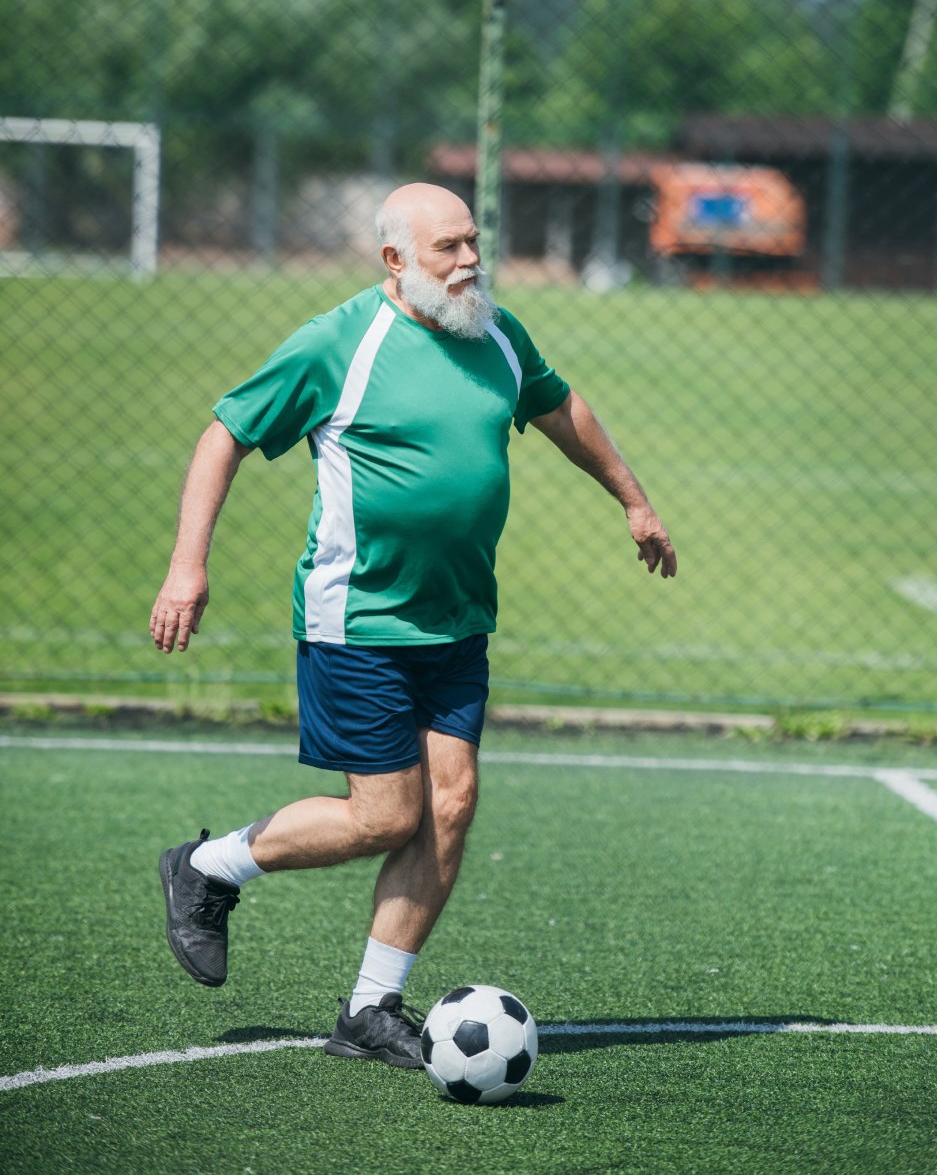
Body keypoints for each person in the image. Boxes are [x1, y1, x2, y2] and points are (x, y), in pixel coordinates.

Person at [151, 182, 676, 1069]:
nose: (470, 261)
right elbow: (224, 435)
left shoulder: (496, 334)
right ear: (395, 261)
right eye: (448, 249)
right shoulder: (338, 342)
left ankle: (370, 1008)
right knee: (384, 817)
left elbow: (561, 408)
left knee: (452, 805)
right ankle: (209, 869)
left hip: (458, 622)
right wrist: (187, 567)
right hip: (358, 618)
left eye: (474, 241)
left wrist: (634, 501)